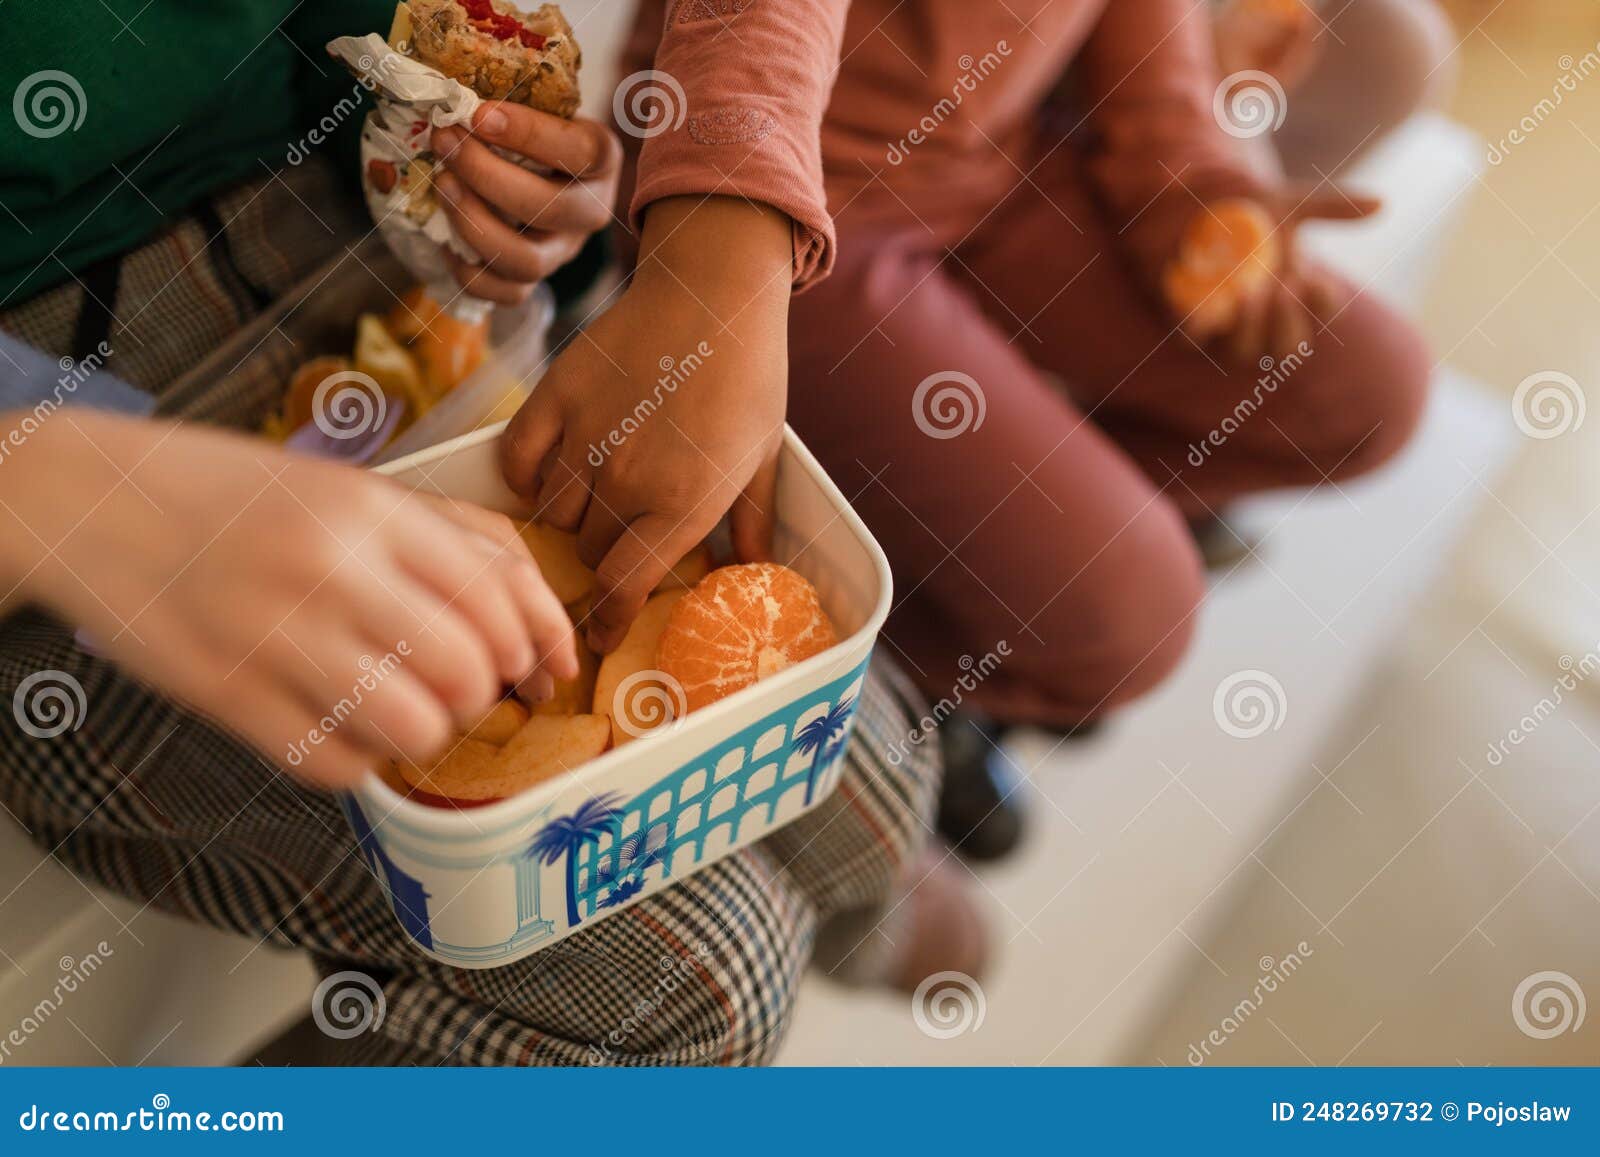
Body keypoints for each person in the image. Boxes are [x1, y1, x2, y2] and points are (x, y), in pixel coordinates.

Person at [0, 1, 969, 1066]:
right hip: (57, 478)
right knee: (706, 982)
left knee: (877, 791)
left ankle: (852, 892)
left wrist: (717, 232)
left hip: (369, 258)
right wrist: (59, 494)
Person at [613, 0, 1444, 860]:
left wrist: (1195, 195)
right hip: (790, 210)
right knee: (1132, 623)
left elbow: (1151, 69)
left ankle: (986, 562)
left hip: (992, 170)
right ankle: (905, 666)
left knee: (1372, 389)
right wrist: (715, 258)